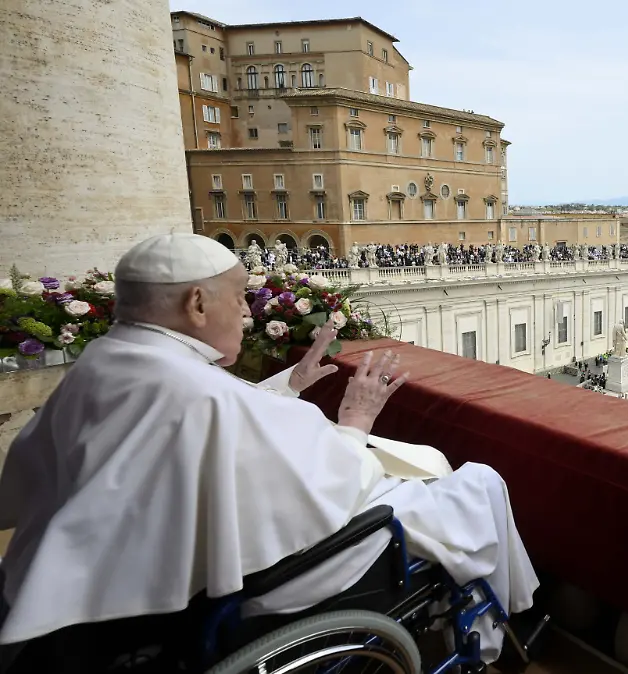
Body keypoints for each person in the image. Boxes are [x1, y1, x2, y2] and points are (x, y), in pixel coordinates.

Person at [0, 234, 537, 663]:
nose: (247, 314)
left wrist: (293, 382)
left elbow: (215, 420)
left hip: (131, 565)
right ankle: (509, 618)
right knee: (478, 482)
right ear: (196, 302)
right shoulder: (193, 387)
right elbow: (328, 481)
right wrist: (356, 417)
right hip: (281, 572)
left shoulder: (111, 357)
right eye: (239, 299)